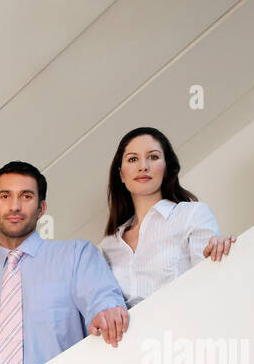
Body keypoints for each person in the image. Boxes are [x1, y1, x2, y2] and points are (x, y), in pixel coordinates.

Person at [0, 160, 129, 364]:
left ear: (41, 208)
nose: (15, 206)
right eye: (5, 196)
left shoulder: (76, 256)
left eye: (27, 196)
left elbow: (104, 305)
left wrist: (107, 313)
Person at [99, 126, 236, 308]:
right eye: (133, 159)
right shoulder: (107, 246)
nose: (143, 167)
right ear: (121, 175)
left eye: (153, 157)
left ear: (166, 168)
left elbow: (210, 283)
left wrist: (220, 252)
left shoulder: (192, 214)